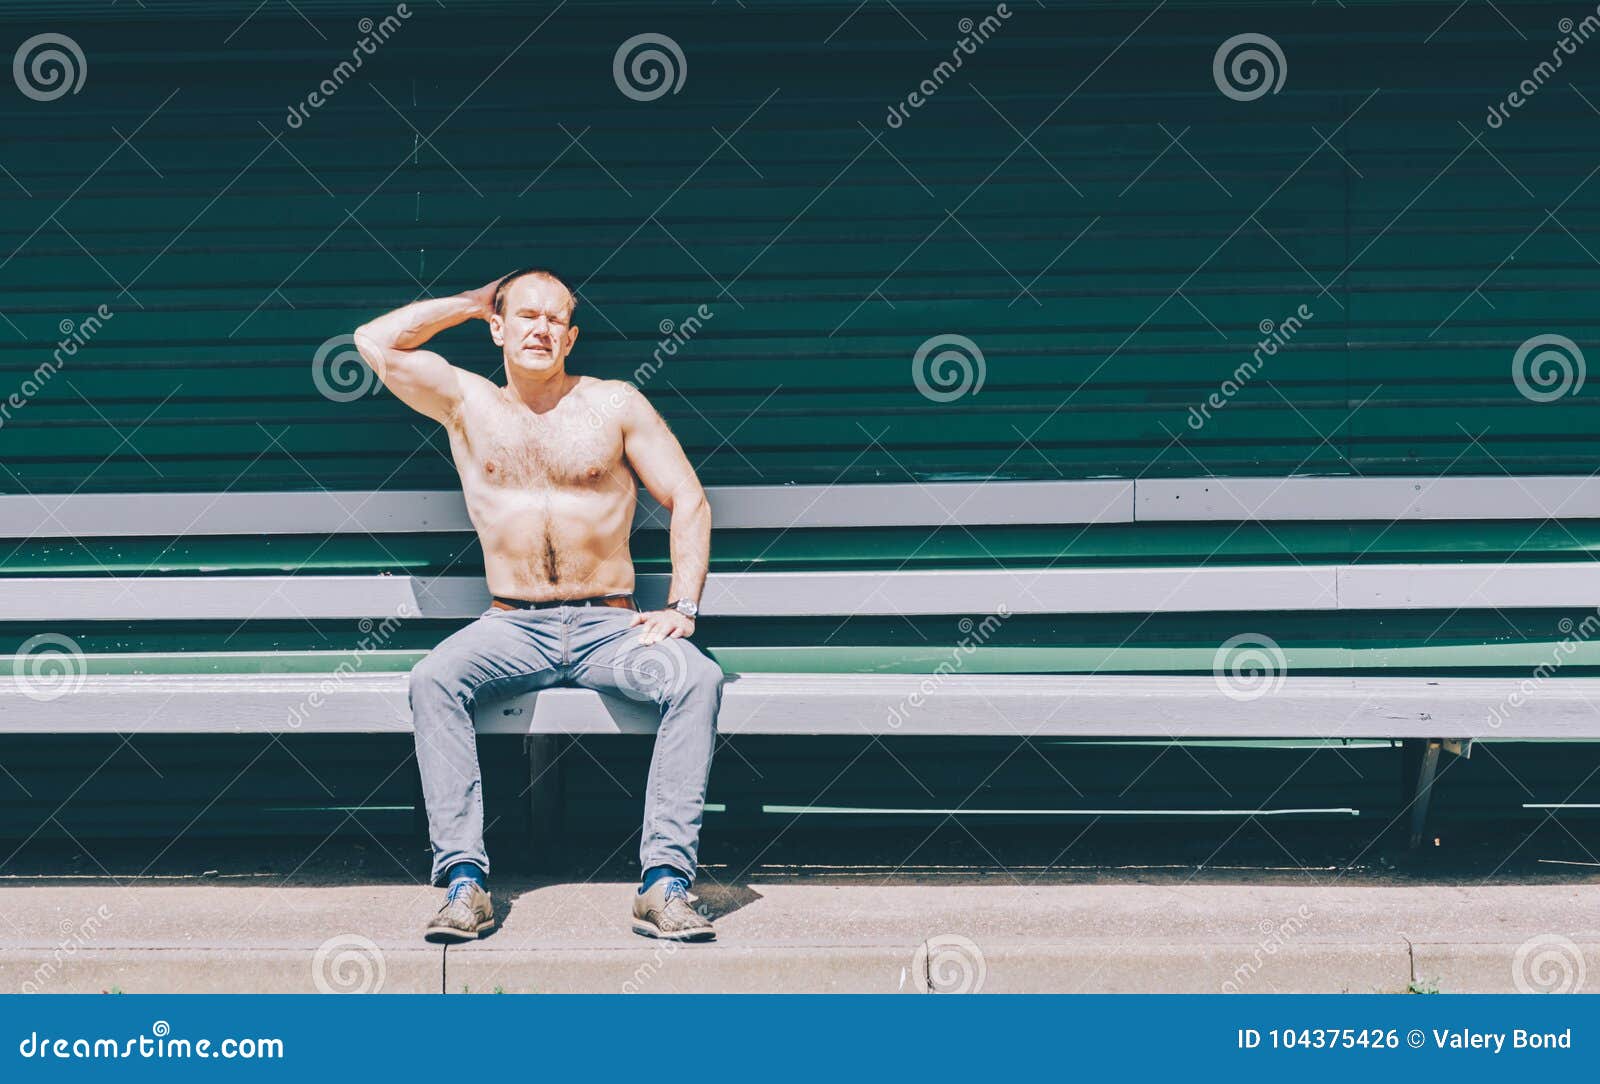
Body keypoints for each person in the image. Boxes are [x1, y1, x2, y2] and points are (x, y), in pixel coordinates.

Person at [352, 269, 723, 943]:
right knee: (434, 678)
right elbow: (372, 341)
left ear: (572, 336)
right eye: (524, 315)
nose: (540, 328)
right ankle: (465, 884)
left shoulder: (614, 406)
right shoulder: (466, 403)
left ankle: (664, 884)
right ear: (499, 327)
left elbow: (689, 500)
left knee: (696, 677)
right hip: (511, 627)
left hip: (612, 629)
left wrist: (683, 607)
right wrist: (468, 304)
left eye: (555, 319)